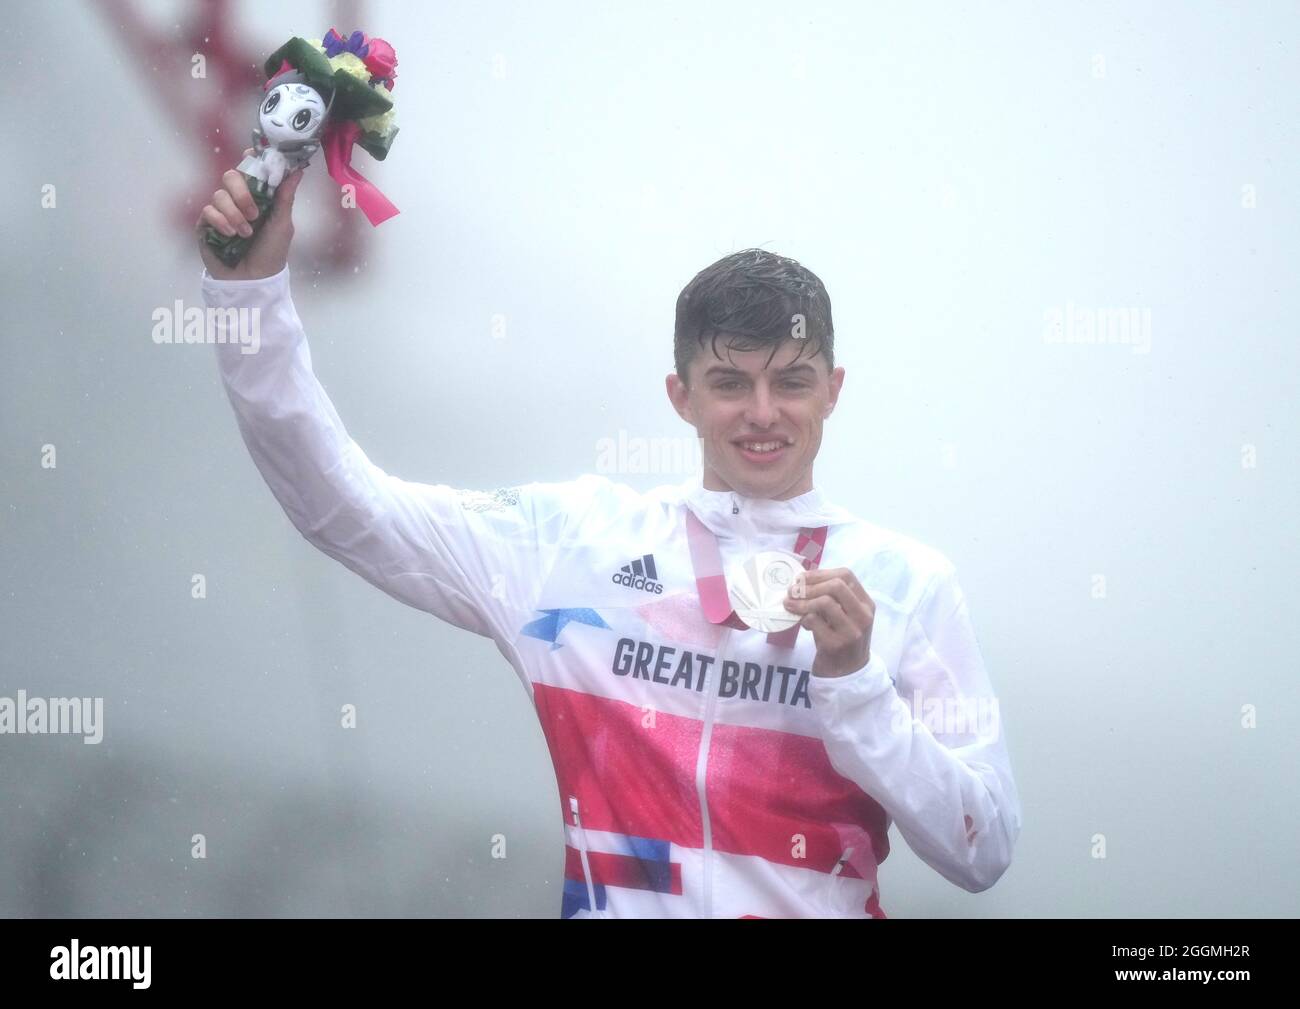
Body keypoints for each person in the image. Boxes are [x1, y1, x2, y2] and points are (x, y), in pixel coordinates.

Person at [195, 161, 1022, 919]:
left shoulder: (909, 583)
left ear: (833, 391)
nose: (763, 413)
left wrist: (858, 688)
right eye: (730, 382)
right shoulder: (574, 543)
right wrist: (248, 295)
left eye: (792, 382)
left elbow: (982, 849)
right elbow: (338, 504)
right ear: (680, 395)